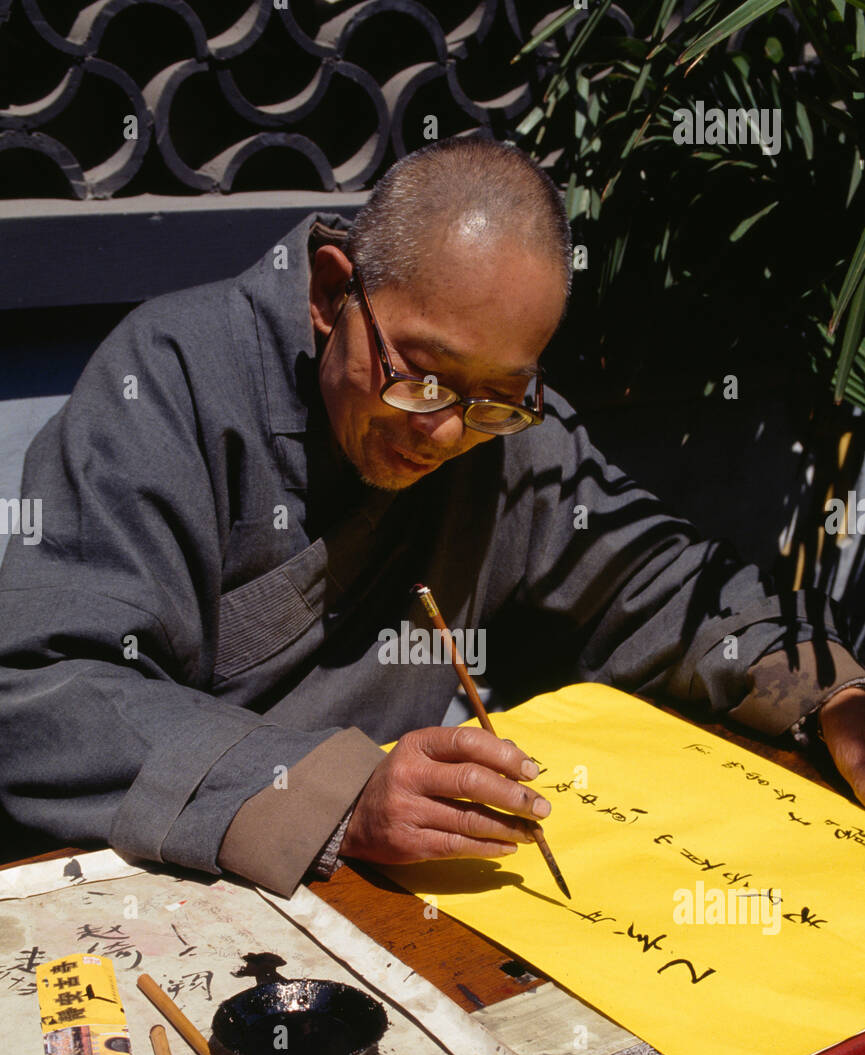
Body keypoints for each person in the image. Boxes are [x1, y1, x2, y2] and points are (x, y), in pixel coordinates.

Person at [3, 134, 865, 900]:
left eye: (498, 395)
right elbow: (43, 689)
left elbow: (655, 582)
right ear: (332, 292)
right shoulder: (173, 379)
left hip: (382, 891)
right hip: (154, 882)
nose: (447, 431)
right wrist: (326, 793)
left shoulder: (503, 426)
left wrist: (831, 693)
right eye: (420, 376)